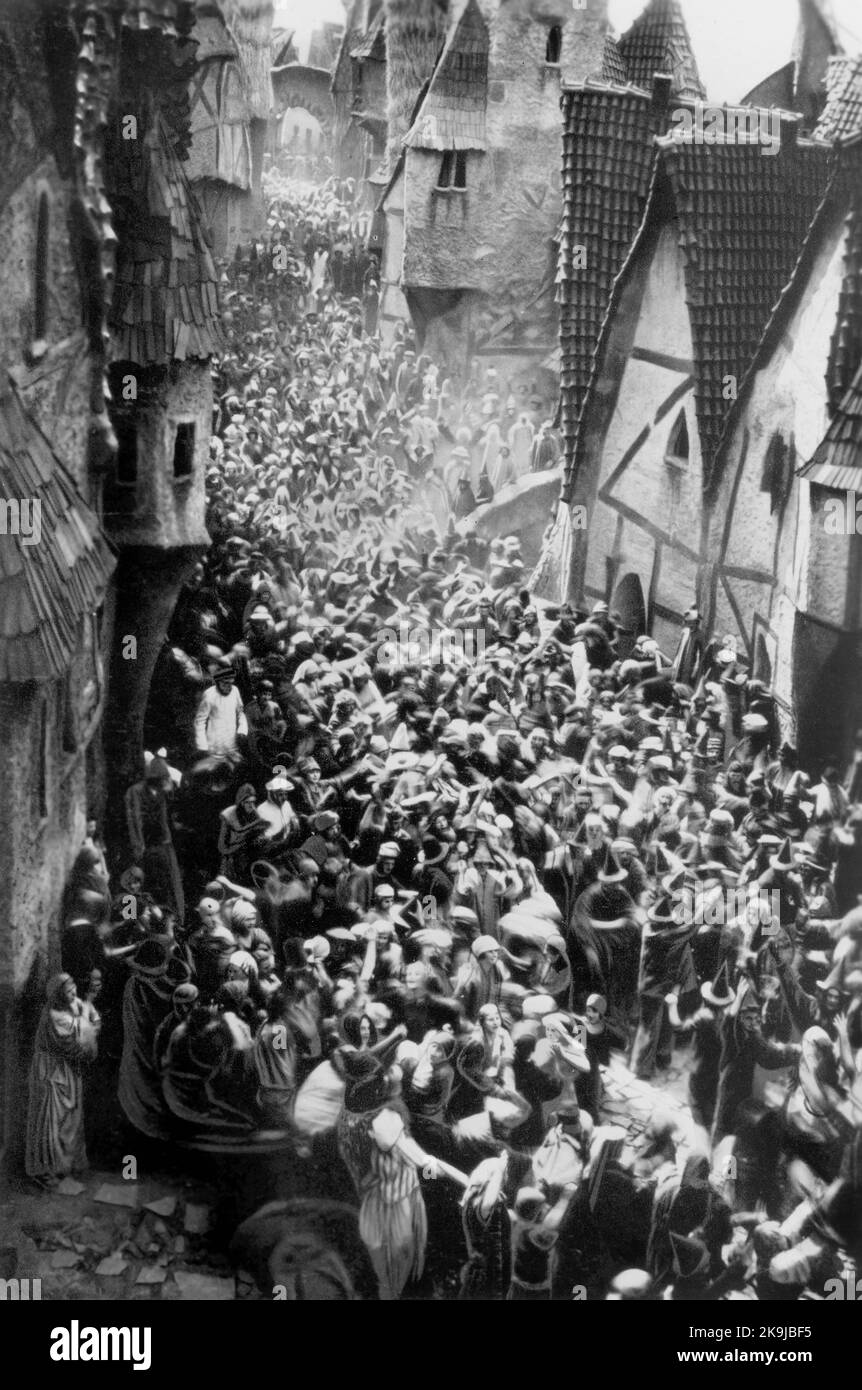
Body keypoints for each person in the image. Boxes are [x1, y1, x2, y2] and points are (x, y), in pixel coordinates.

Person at [25, 974, 99, 1184]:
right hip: (51, 1072)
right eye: (68, 991)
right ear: (58, 995)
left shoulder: (73, 1004)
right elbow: (73, 1042)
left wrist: (88, 1017)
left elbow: (90, 1019)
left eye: (74, 987)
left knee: (70, 1119)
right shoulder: (54, 1015)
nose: (73, 992)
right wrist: (86, 1027)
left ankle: (66, 1167)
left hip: (67, 1070)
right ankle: (46, 1171)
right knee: (51, 1122)